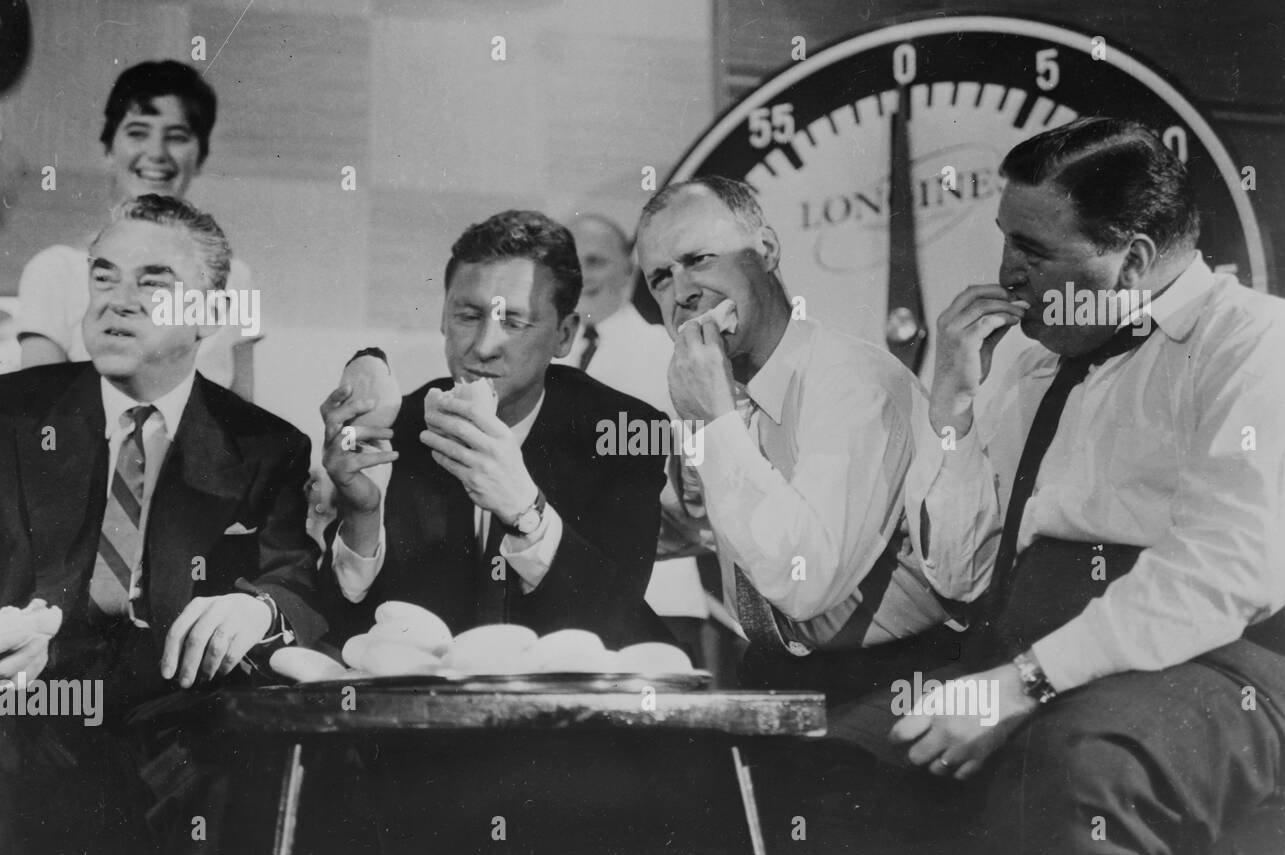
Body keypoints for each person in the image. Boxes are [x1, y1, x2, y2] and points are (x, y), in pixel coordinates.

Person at [884, 116, 1285, 855]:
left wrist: (1028, 683)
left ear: (1134, 259)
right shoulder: (1022, 361)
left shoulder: (1260, 344)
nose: (1006, 275)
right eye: (1006, 241)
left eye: (1033, 252)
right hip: (1031, 650)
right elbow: (963, 574)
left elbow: (1226, 570)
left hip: (1230, 667)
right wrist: (949, 406)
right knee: (851, 750)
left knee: (1079, 768)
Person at [0, 194, 324, 855]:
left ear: (209, 314)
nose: (116, 302)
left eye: (152, 282)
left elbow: (294, 580)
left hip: (181, 737)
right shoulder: (12, 416)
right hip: (24, 715)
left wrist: (256, 609)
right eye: (103, 275)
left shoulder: (267, 447)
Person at [634, 176, 953, 683]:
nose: (683, 292)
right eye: (660, 279)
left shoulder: (851, 384)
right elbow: (679, 527)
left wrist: (717, 426)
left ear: (765, 250)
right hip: (777, 668)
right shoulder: (724, 394)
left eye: (699, 260)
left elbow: (805, 581)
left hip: (896, 678)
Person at [320, 209, 670, 649]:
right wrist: (362, 516)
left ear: (564, 334)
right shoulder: (398, 429)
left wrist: (526, 510)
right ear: (443, 319)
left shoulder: (627, 432)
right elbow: (341, 628)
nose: (483, 348)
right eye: (468, 316)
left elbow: (614, 618)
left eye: (514, 322)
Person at [14, 60, 253, 390]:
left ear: (200, 157)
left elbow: (247, 424)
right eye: (138, 133)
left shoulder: (235, 277)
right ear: (108, 149)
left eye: (177, 136)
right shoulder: (55, 270)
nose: (156, 153)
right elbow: (37, 418)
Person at [558, 213, 709, 651]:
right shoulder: (544, 359)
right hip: (566, 597)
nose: (583, 276)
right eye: (572, 263)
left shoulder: (667, 351)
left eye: (596, 261)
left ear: (629, 268)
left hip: (658, 596)